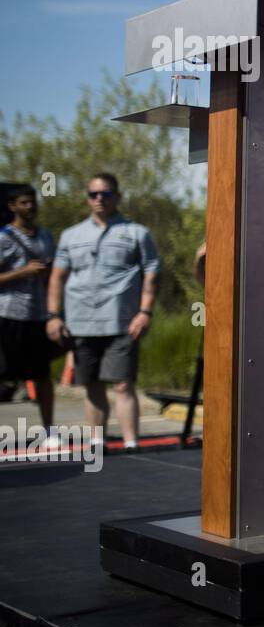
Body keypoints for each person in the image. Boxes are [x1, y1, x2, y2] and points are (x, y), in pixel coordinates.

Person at [45, 173, 159, 452]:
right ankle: (98, 441)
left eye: (106, 194)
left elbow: (152, 274)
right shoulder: (72, 235)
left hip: (122, 322)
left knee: (122, 384)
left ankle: (132, 444)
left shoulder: (137, 233)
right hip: (81, 323)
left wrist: (145, 312)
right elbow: (57, 277)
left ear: (117, 197)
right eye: (93, 194)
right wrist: (53, 315)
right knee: (92, 385)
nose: (99, 199)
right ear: (87, 198)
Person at [0, 184, 58, 436]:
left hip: (37, 315)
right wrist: (22, 272)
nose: (30, 207)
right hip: (8, 315)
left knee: (42, 375)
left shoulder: (45, 236)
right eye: (24, 202)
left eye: (33, 202)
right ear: (13, 206)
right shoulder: (3, 237)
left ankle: (48, 430)